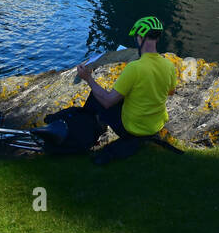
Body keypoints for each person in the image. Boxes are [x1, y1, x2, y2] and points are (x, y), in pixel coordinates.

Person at [76, 16, 177, 161]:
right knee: (123, 96)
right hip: (156, 125)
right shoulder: (169, 66)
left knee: (97, 97)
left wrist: (88, 78)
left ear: (140, 38)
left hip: (134, 128)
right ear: (157, 38)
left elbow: (107, 102)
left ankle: (86, 137)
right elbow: (170, 92)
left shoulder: (134, 68)